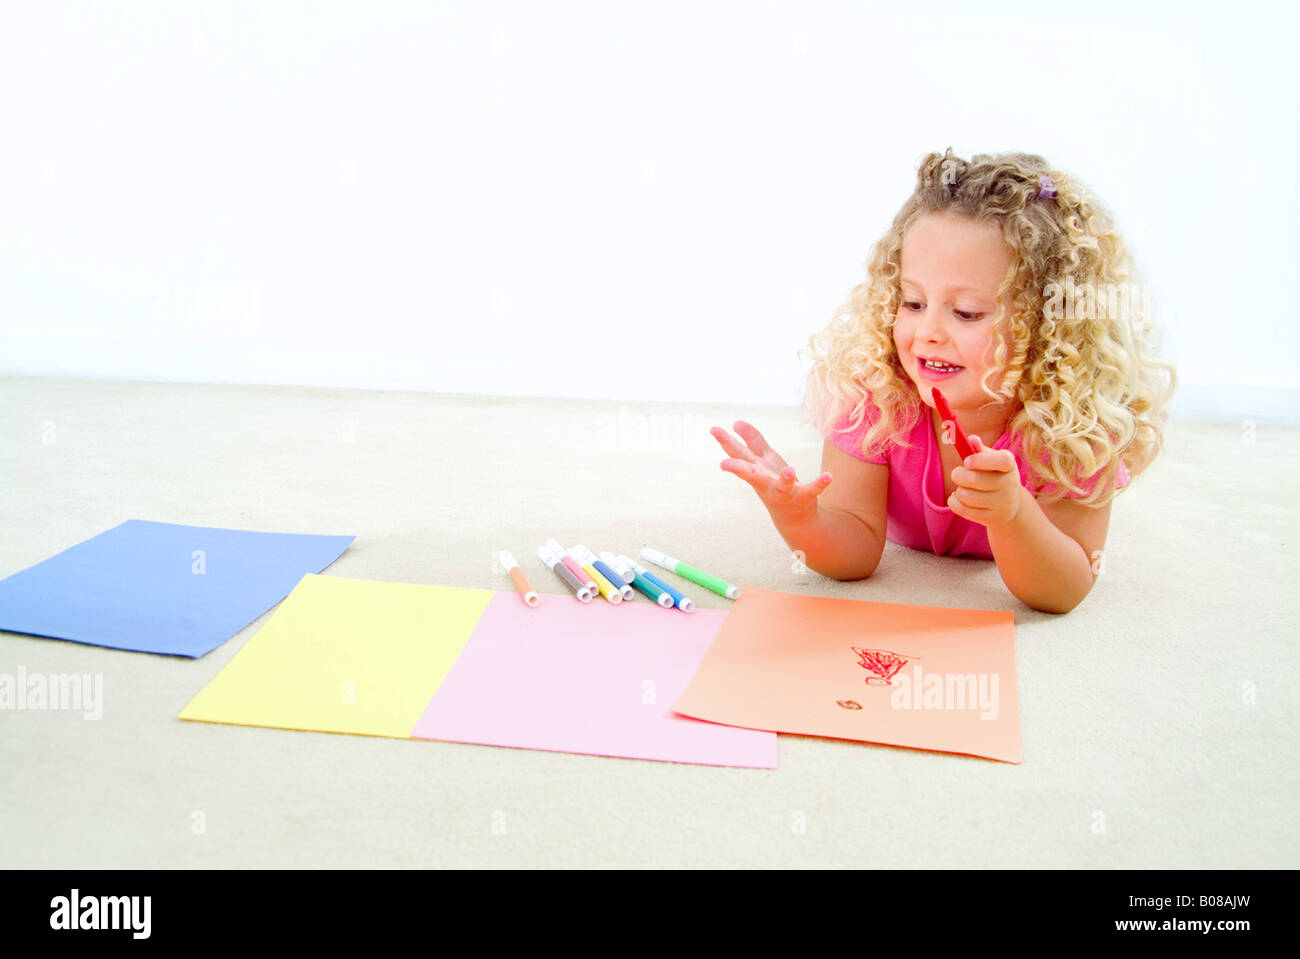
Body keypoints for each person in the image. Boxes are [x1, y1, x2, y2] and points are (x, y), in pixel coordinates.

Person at [711, 149, 1176, 613]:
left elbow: (1063, 591)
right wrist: (801, 518)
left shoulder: (1072, 425)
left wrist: (1014, 514)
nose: (928, 332)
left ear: (1049, 324)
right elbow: (853, 552)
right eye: (912, 303)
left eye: (967, 312)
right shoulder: (875, 395)